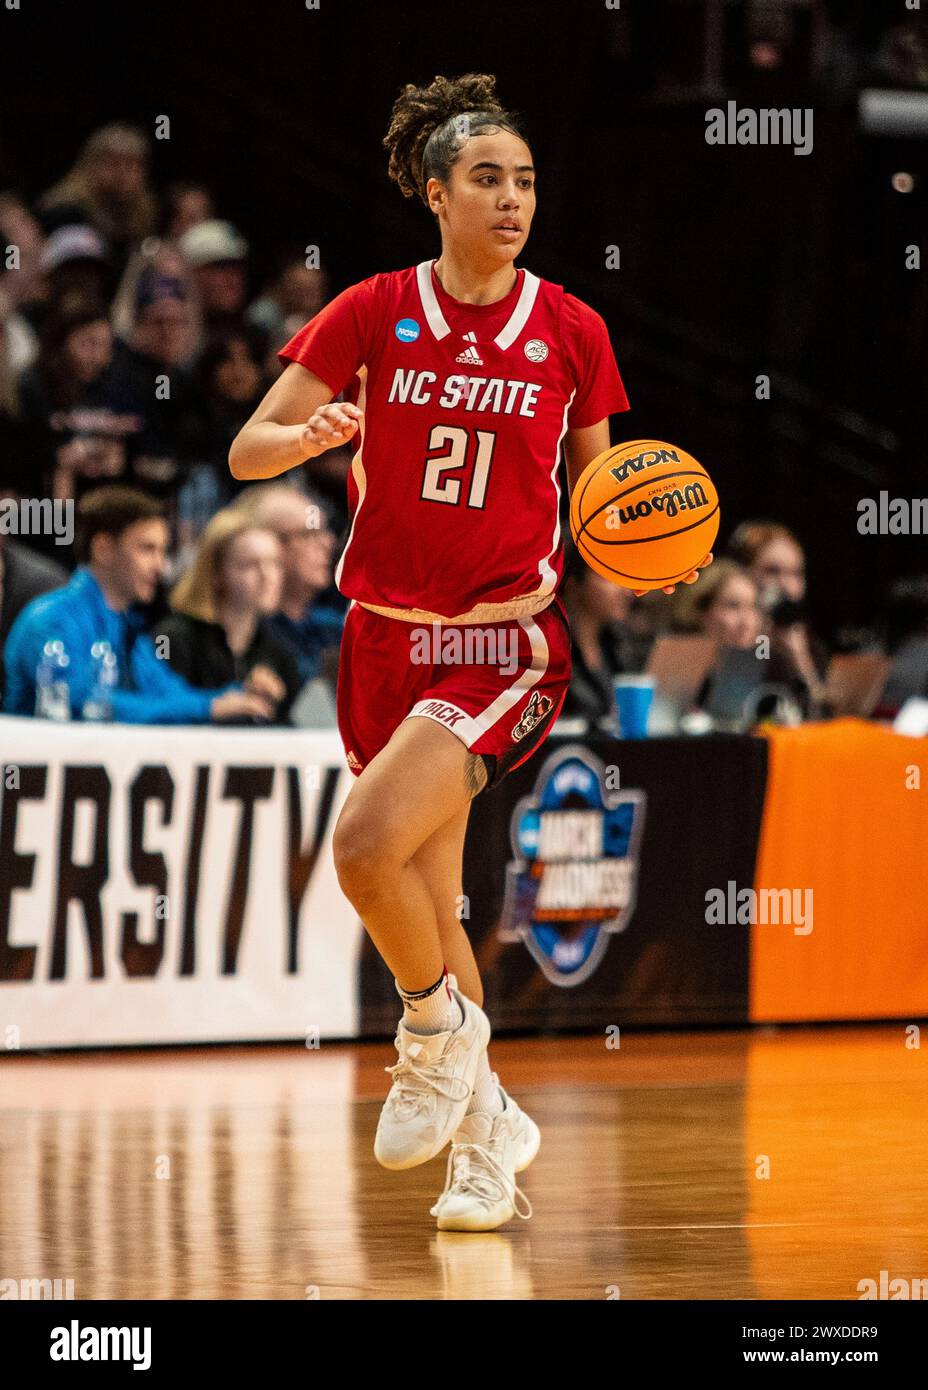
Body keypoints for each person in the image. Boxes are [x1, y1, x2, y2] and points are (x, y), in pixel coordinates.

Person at [228, 73, 711, 1231]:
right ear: (435, 193)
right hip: (379, 640)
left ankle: (435, 1036)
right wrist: (315, 429)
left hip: (505, 643)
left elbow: (605, 498)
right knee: (429, 898)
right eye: (487, 178)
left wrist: (653, 556)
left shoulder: (571, 329)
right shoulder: (369, 310)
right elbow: (248, 450)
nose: (512, 198)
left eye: (526, 180)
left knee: (359, 849)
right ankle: (487, 1136)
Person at [3, 486, 275, 724]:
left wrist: (240, 694)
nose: (160, 566)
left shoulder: (124, 624)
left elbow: (165, 691)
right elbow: (85, 704)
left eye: (163, 551)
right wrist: (209, 707)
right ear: (104, 550)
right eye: (147, 549)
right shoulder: (52, 618)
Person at [156, 510, 300, 724]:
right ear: (216, 574)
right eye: (249, 564)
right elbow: (159, 704)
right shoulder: (172, 638)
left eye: (274, 563)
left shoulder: (279, 653)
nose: (266, 576)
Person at [231, 483, 344, 687]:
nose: (328, 543)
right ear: (267, 542)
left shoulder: (335, 629)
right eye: (309, 534)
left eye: (325, 531)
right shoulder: (241, 632)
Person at [559, 540, 642, 726]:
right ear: (574, 583)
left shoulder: (618, 643)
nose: (626, 591)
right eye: (610, 577)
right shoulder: (548, 649)